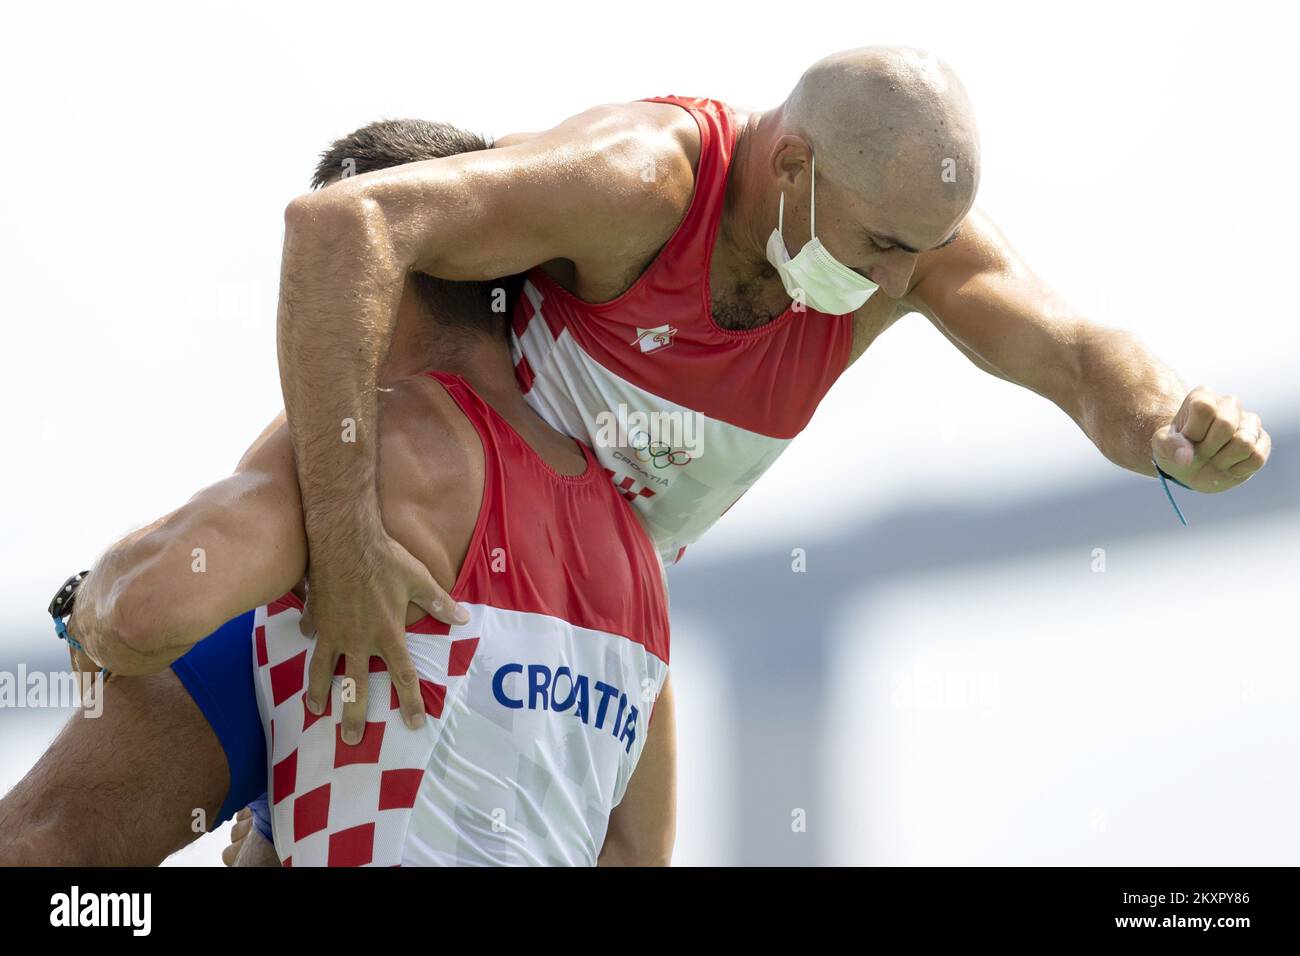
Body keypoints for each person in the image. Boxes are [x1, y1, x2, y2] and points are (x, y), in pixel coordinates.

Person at [272, 47, 1272, 751]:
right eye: (881, 245)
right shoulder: (639, 180)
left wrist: (1169, 422)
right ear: (791, 164)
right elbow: (340, 226)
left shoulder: (909, 248)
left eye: (921, 253)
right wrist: (346, 539)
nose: (897, 285)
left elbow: (1072, 348)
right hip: (375, 549)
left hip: (565, 619)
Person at [0, 122, 676, 867]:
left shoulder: (368, 447)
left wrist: (82, 607)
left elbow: (147, 609)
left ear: (370, 276)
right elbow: (636, 850)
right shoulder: (639, 552)